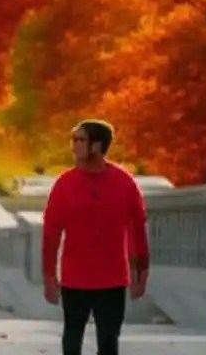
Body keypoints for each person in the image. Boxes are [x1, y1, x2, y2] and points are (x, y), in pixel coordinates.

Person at [43, 119, 149, 355]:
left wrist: (141, 271)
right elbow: (51, 233)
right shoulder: (65, 184)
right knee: (72, 339)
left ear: (97, 145)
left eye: (80, 140)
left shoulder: (124, 183)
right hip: (75, 278)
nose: (74, 147)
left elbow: (137, 227)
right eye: (74, 140)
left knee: (109, 342)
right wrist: (49, 276)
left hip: (112, 279)